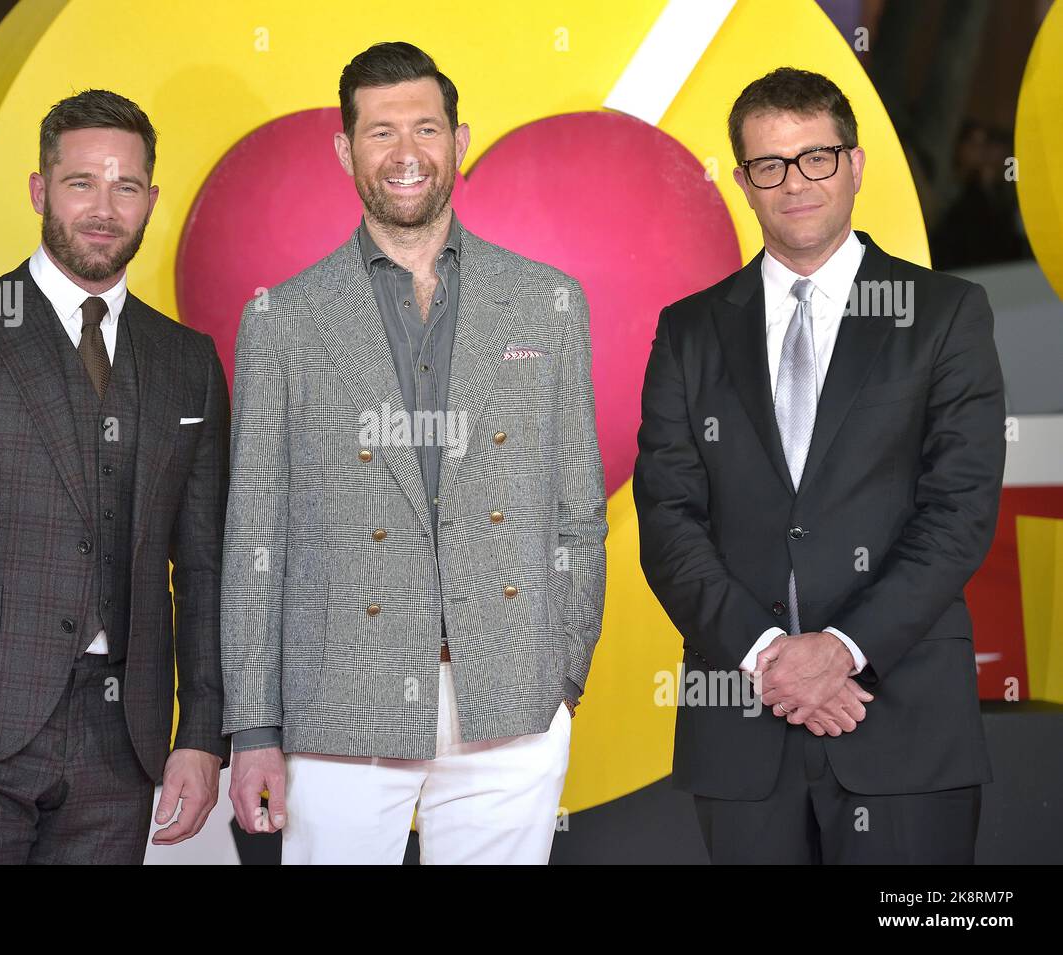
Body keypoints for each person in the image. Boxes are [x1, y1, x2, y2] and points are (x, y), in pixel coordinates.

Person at [222, 41, 608, 865]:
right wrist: (253, 726)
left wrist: (560, 672)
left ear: (459, 142)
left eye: (426, 129)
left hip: (512, 698)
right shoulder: (282, 321)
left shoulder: (548, 303)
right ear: (344, 150)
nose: (406, 155)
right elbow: (255, 539)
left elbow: (579, 513)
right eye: (381, 132)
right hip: (339, 702)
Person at [634, 67, 1005, 864]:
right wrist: (771, 658)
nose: (794, 182)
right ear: (742, 180)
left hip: (902, 720)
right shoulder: (689, 331)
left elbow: (960, 511)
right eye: (769, 164)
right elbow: (667, 520)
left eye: (816, 157)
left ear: (856, 163)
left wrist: (841, 648)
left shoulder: (944, 315)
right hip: (742, 731)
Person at [0, 89, 229, 863]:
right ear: (39, 189)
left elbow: (203, 568)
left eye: (126, 186)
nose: (105, 207)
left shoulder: (188, 362)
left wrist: (200, 735)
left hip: (121, 744)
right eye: (81, 182)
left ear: (150, 199)